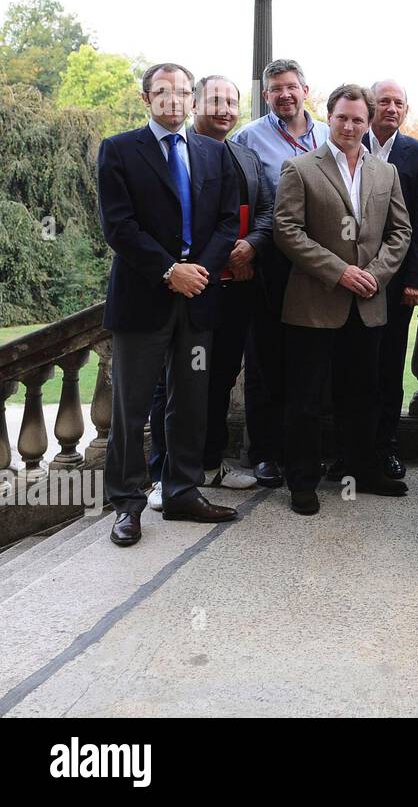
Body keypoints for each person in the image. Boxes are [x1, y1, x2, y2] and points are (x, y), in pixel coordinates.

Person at [97, 62, 240, 546]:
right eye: (164, 92)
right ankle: (127, 505)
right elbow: (119, 226)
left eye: (182, 92)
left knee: (191, 403)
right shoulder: (119, 150)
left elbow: (226, 222)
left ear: (192, 99)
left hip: (198, 299)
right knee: (131, 408)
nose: (174, 100)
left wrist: (198, 270)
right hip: (142, 301)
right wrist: (168, 271)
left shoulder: (213, 153)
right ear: (146, 98)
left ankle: (182, 491)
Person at [273, 84, 412, 515]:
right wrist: (340, 272)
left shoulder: (385, 173)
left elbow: (401, 231)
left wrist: (373, 275)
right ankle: (302, 482)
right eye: (342, 118)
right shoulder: (299, 168)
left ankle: (361, 471)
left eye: (358, 119)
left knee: (362, 396)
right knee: (306, 398)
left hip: (367, 303)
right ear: (327, 118)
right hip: (315, 303)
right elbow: (286, 230)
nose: (350, 126)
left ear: (368, 123)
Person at [146, 75, 270, 505]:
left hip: (233, 290)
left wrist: (251, 245)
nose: (224, 109)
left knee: (219, 378)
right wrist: (196, 265)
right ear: (195, 103)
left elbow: (267, 211)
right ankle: (165, 473)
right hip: (182, 286)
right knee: (172, 383)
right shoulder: (171, 153)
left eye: (232, 102)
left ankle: (212, 464)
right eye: (215, 100)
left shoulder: (246, 157)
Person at [230, 58, 329, 487]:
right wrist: (245, 251)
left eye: (291, 87)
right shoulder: (247, 139)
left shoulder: (329, 134)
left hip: (323, 264)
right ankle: (266, 452)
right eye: (275, 89)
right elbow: (237, 200)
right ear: (266, 95)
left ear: (305, 89)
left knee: (311, 360)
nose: (285, 95)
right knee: (265, 358)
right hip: (270, 263)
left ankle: (307, 451)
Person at [358, 79, 418, 482]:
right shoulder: (348, 142)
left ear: (406, 111)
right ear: (370, 105)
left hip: (397, 282)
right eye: (384, 101)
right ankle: (349, 450)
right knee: (351, 366)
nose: (391, 108)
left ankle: (386, 447)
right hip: (346, 278)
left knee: (389, 366)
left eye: (399, 103)